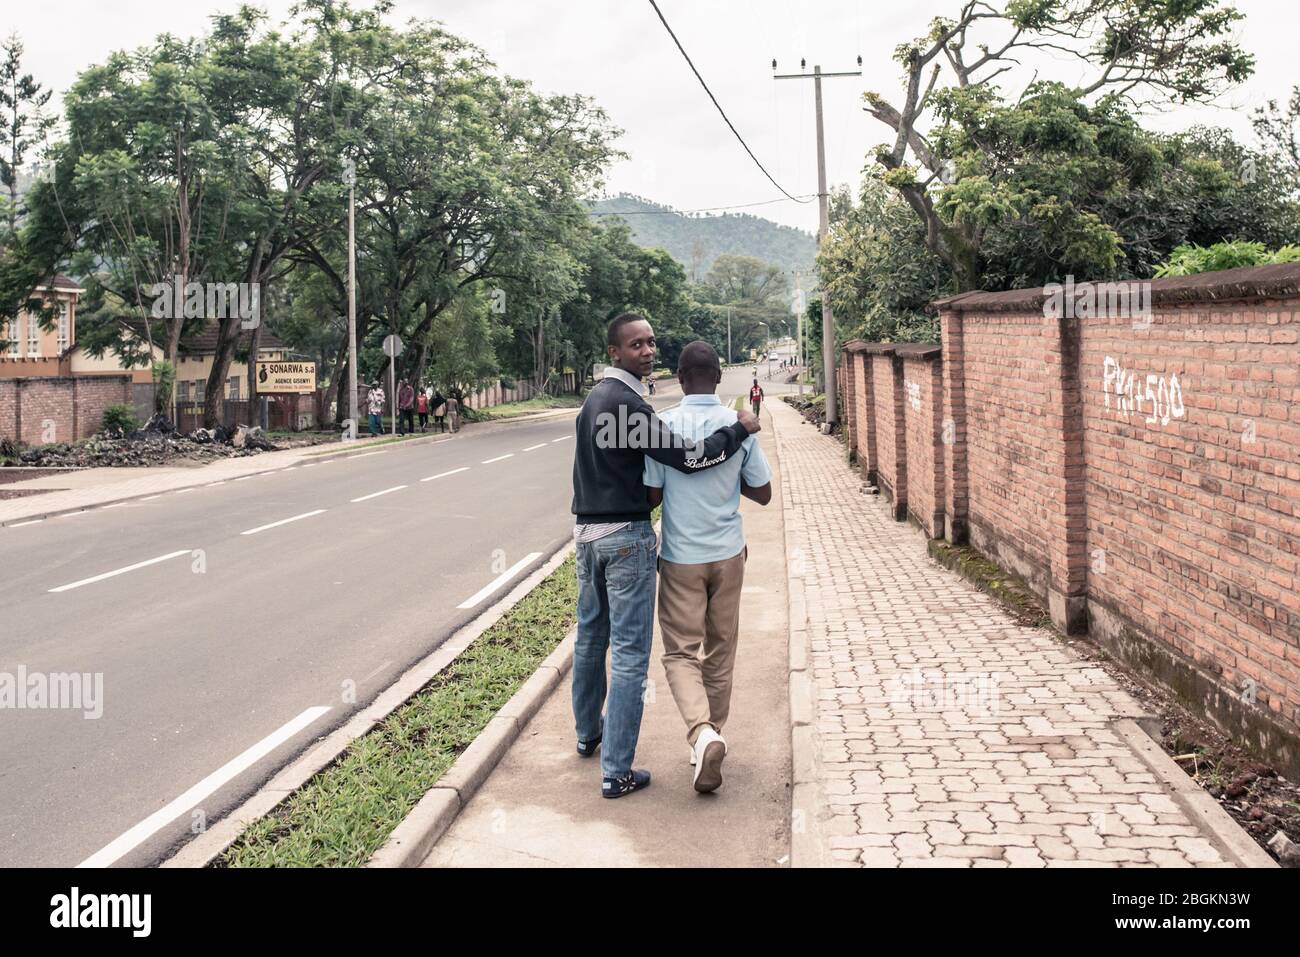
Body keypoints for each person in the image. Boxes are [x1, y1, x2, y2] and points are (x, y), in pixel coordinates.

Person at [570, 312, 760, 799]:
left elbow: (649, 476)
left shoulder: (593, 400)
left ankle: (588, 734)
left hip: (588, 535)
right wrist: (740, 429)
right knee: (632, 656)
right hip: (628, 539)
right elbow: (691, 459)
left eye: (652, 342)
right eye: (637, 345)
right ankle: (617, 771)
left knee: (592, 638)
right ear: (614, 352)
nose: (648, 350)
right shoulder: (631, 406)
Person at [644, 341, 772, 792]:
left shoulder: (664, 426)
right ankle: (711, 735)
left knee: (681, 652)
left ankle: (702, 734)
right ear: (719, 378)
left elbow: (652, 497)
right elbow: (762, 493)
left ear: (678, 379)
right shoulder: (738, 424)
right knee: (721, 649)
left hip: (681, 557)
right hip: (728, 553)